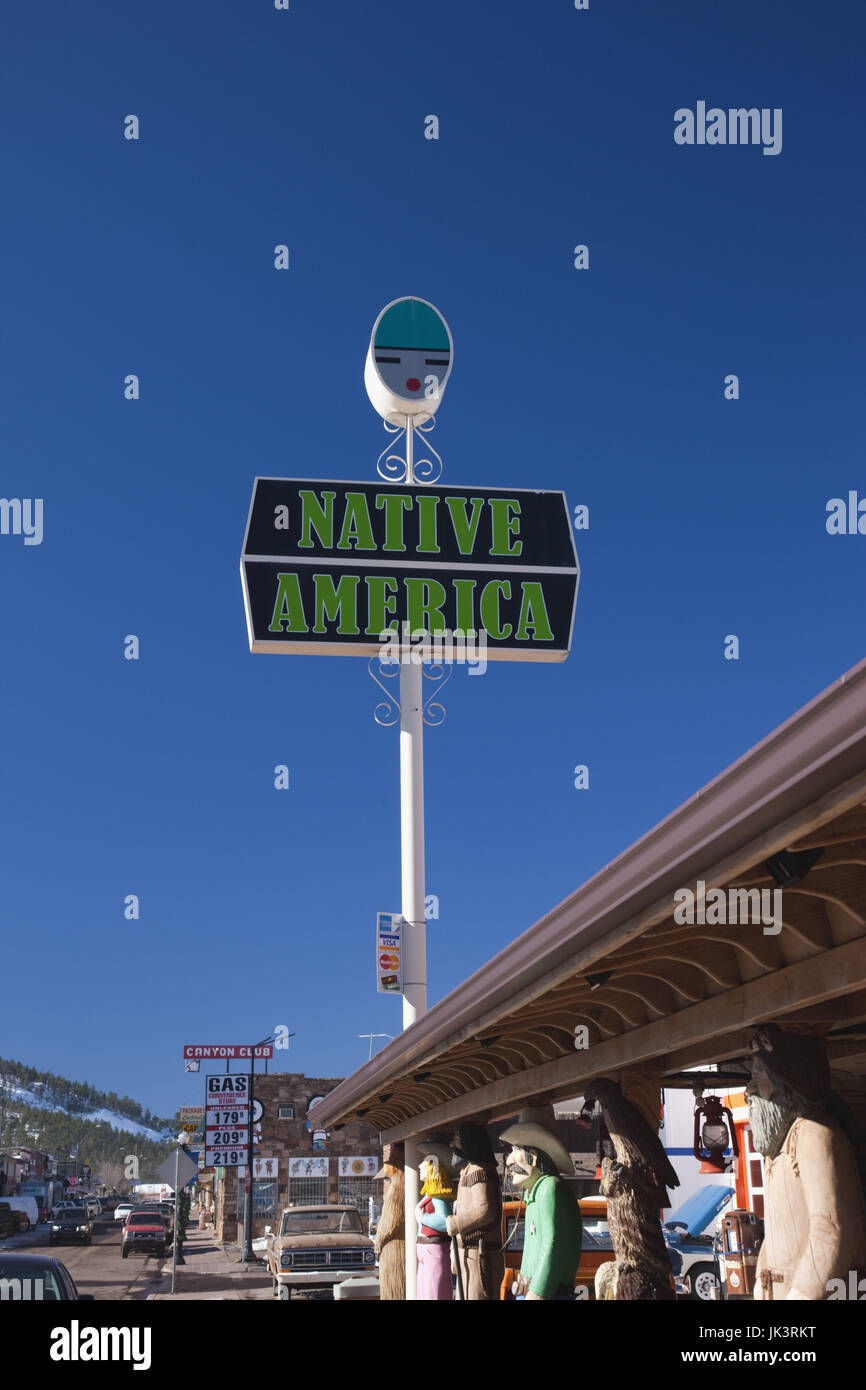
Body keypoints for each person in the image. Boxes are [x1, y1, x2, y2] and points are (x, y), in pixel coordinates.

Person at [500, 1112, 582, 1301]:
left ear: (534, 1156)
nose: (509, 1160)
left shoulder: (550, 1188)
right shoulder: (535, 1193)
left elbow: (551, 1243)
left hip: (548, 1293)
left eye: (516, 1149)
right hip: (531, 1291)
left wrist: (538, 1291)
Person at [445, 1124, 504, 1300]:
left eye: (457, 1139)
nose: (452, 1145)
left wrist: (457, 1223)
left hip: (480, 1254)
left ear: (470, 1142)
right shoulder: (469, 1170)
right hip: (470, 1252)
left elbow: (485, 1210)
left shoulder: (480, 1171)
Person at [414, 1141, 456, 1300]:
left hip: (434, 1247)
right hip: (427, 1247)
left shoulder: (439, 1196)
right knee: (425, 1291)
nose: (419, 1166)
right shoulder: (431, 1195)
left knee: (434, 1292)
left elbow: (445, 1221)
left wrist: (423, 1218)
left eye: (425, 1163)